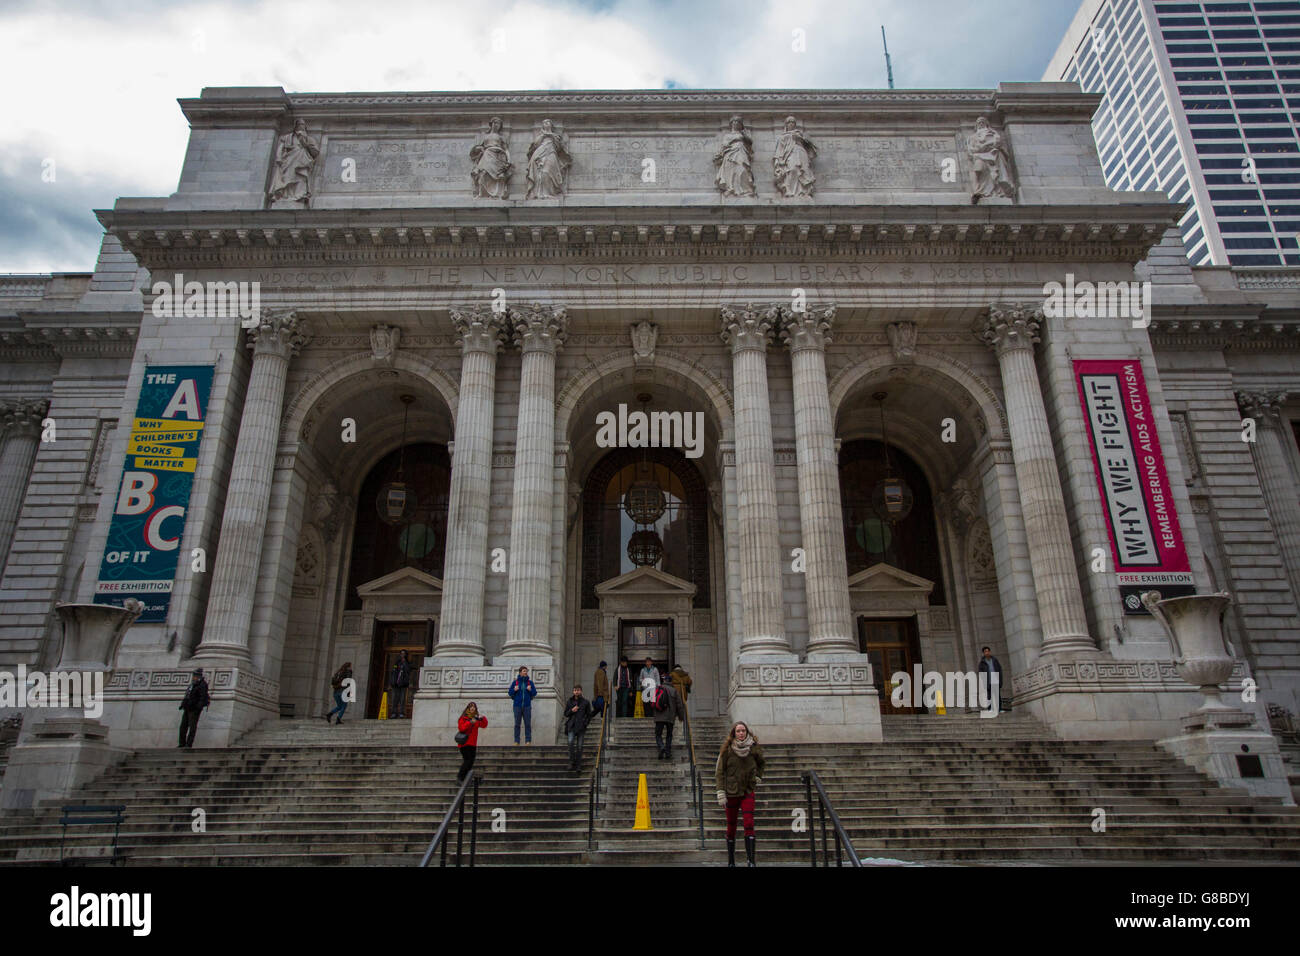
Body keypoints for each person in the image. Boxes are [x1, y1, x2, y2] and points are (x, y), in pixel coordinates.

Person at [716, 721, 765, 867]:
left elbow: (761, 763)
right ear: (734, 733)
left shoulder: (753, 748)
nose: (741, 733)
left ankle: (751, 861)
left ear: (747, 732)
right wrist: (720, 792)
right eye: (738, 731)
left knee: (749, 823)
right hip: (731, 792)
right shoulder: (727, 750)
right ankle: (731, 861)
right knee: (731, 826)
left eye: (743, 730)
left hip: (747, 790)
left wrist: (758, 777)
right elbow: (719, 772)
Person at [563, 685, 593, 773]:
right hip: (571, 726)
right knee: (570, 742)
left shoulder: (586, 702)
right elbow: (566, 714)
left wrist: (585, 723)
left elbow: (589, 715)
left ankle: (579, 764)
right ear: (573, 691)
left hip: (581, 727)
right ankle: (571, 761)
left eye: (578, 690)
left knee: (580, 746)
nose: (577, 692)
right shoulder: (569, 701)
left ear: (581, 691)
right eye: (575, 690)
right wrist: (572, 710)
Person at [177, 668, 209, 748]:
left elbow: (202, 696)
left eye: (195, 675)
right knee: (183, 726)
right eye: (193, 675)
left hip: (194, 708)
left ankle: (189, 744)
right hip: (187, 707)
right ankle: (182, 743)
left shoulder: (202, 684)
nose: (193, 677)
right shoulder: (192, 684)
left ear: (199, 676)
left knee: (192, 726)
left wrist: (198, 707)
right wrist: (182, 704)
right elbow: (187, 695)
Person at [456, 702, 488, 783]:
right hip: (464, 744)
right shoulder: (463, 718)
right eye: (471, 706)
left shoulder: (476, 719)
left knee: (471, 762)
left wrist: (483, 717)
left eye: (474, 707)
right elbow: (461, 728)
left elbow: (484, 725)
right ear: (468, 708)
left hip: (472, 744)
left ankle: (466, 778)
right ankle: (460, 778)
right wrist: (470, 722)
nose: (472, 708)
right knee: (467, 761)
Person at [652, 678, 683, 760]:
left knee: (658, 734)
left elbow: (653, 702)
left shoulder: (658, 689)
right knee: (669, 735)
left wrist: (654, 714)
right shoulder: (674, 691)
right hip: (670, 716)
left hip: (659, 716)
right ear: (671, 682)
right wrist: (681, 716)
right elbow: (679, 705)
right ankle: (668, 753)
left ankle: (661, 747)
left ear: (664, 681)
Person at [507, 665, 538, 745]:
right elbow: (510, 693)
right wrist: (514, 689)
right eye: (524, 671)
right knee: (517, 724)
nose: (526, 672)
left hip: (527, 706)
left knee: (527, 724)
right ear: (520, 672)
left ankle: (528, 741)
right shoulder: (515, 682)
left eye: (526, 671)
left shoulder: (530, 683)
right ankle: (516, 741)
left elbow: (534, 693)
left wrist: (530, 690)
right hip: (517, 706)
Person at [978, 646, 1004, 714]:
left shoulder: (995, 660)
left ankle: (1000, 709)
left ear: (989, 652)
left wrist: (1000, 680)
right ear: (983, 653)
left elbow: (999, 669)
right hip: (988, 680)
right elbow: (981, 673)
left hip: (995, 679)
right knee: (989, 696)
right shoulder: (982, 662)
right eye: (985, 651)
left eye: (987, 651)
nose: (987, 653)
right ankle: (990, 708)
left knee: (997, 695)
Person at [389, 650, 411, 719]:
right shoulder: (397, 662)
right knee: (395, 699)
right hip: (396, 684)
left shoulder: (407, 663)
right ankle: (394, 713)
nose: (402, 655)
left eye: (404, 654)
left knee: (402, 699)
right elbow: (393, 672)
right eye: (401, 654)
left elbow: (408, 671)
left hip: (403, 684)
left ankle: (401, 713)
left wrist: (404, 663)